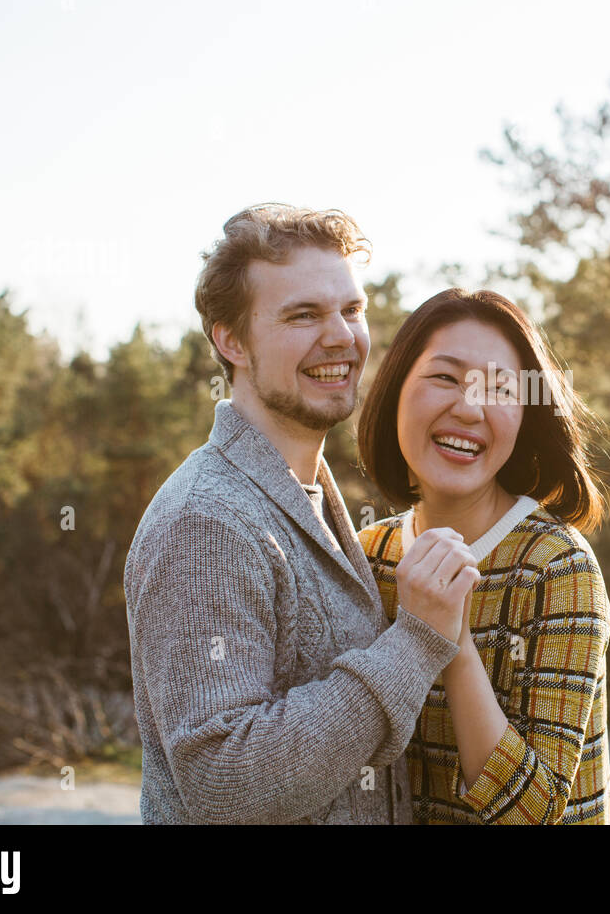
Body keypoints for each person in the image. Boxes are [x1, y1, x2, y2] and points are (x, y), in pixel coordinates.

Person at [123, 203, 479, 823]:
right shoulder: (207, 522)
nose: (341, 336)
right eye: (303, 315)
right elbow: (225, 780)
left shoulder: (307, 494)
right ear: (230, 340)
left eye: (351, 309)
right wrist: (415, 643)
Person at [357, 289, 610, 824]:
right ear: (395, 390)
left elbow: (534, 816)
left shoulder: (556, 566)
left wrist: (448, 638)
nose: (469, 408)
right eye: (445, 378)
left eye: (498, 389)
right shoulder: (367, 555)